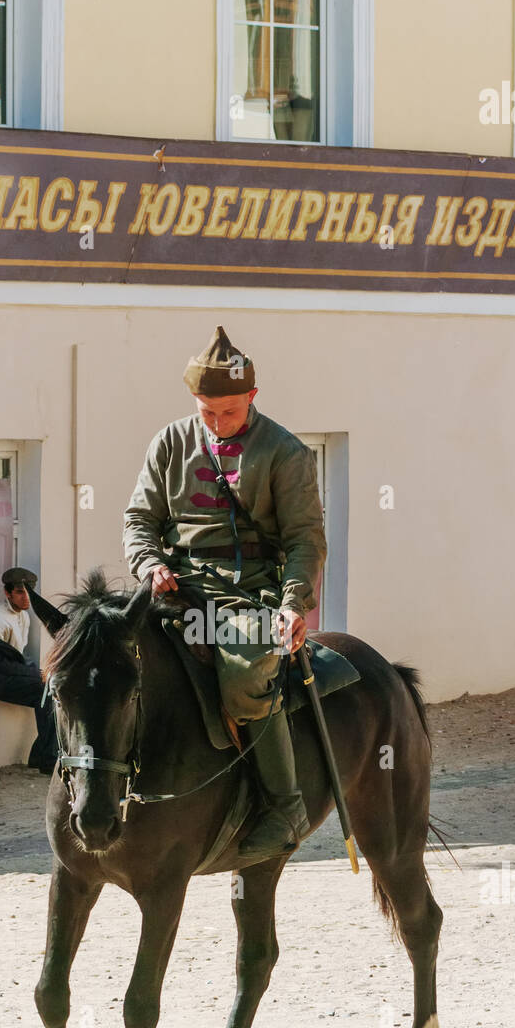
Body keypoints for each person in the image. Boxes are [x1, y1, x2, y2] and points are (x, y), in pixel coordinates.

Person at [123, 325, 327, 857]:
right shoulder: (170, 441)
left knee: (243, 676)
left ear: (252, 398)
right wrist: (148, 564)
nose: (217, 423)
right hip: (174, 588)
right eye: (207, 412)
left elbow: (306, 539)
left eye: (229, 413)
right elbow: (139, 519)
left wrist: (291, 604)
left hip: (249, 593)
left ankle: (285, 806)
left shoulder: (285, 452)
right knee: (104, 656)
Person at [0, 567, 58, 775]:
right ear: (7, 593)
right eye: (19, 592)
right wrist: (35, 674)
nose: (26, 598)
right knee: (46, 690)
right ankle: (47, 758)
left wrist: (40, 672)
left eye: (28, 592)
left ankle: (40, 756)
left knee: (51, 691)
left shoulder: (24, 616)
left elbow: (16, 655)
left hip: (8, 675)